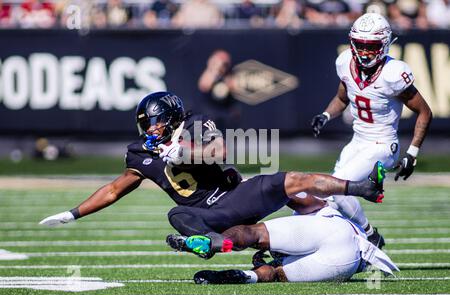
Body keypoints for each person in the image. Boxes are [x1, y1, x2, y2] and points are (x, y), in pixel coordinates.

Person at [39, 92, 385, 253]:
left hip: (235, 195)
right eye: (146, 124)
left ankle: (362, 188)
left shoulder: (193, 125)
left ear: (171, 116)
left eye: (155, 122)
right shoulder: (140, 153)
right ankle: (212, 244)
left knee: (294, 180)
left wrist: (183, 151)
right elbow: (114, 189)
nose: (151, 129)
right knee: (178, 213)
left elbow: (220, 150)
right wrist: (73, 213)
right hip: (208, 214)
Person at [310, 13, 433, 249]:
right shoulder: (345, 62)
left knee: (337, 191)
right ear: (352, 43)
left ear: (385, 44)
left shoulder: (393, 73)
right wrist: (326, 115)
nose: (365, 53)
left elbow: (425, 112)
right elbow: (341, 97)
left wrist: (412, 154)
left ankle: (370, 235)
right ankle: (340, 246)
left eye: (372, 47)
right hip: (358, 141)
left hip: (383, 144)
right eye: (362, 46)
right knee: (327, 198)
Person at [167, 186, 398, 284]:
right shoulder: (329, 207)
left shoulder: (318, 206)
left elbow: (293, 197)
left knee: (253, 233)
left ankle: (212, 241)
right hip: (347, 260)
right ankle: (236, 276)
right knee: (273, 274)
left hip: (332, 233)